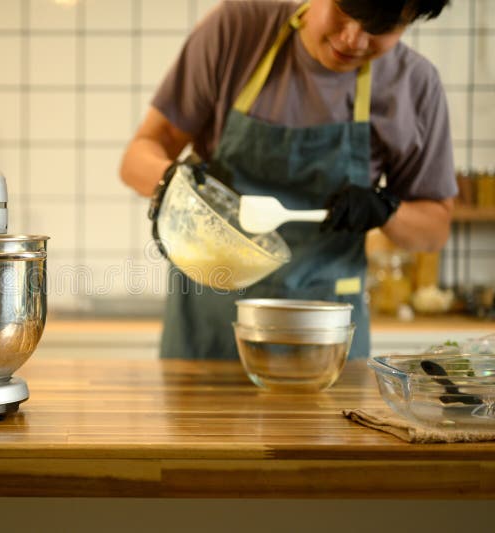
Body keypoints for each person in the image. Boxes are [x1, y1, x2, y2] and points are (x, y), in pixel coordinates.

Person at [120, 0, 456, 360]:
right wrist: (173, 182)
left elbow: (433, 229)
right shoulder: (237, 31)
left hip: (324, 338)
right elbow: (138, 157)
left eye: (381, 27)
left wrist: (384, 210)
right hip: (209, 326)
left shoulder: (414, 85)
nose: (353, 39)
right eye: (345, 13)